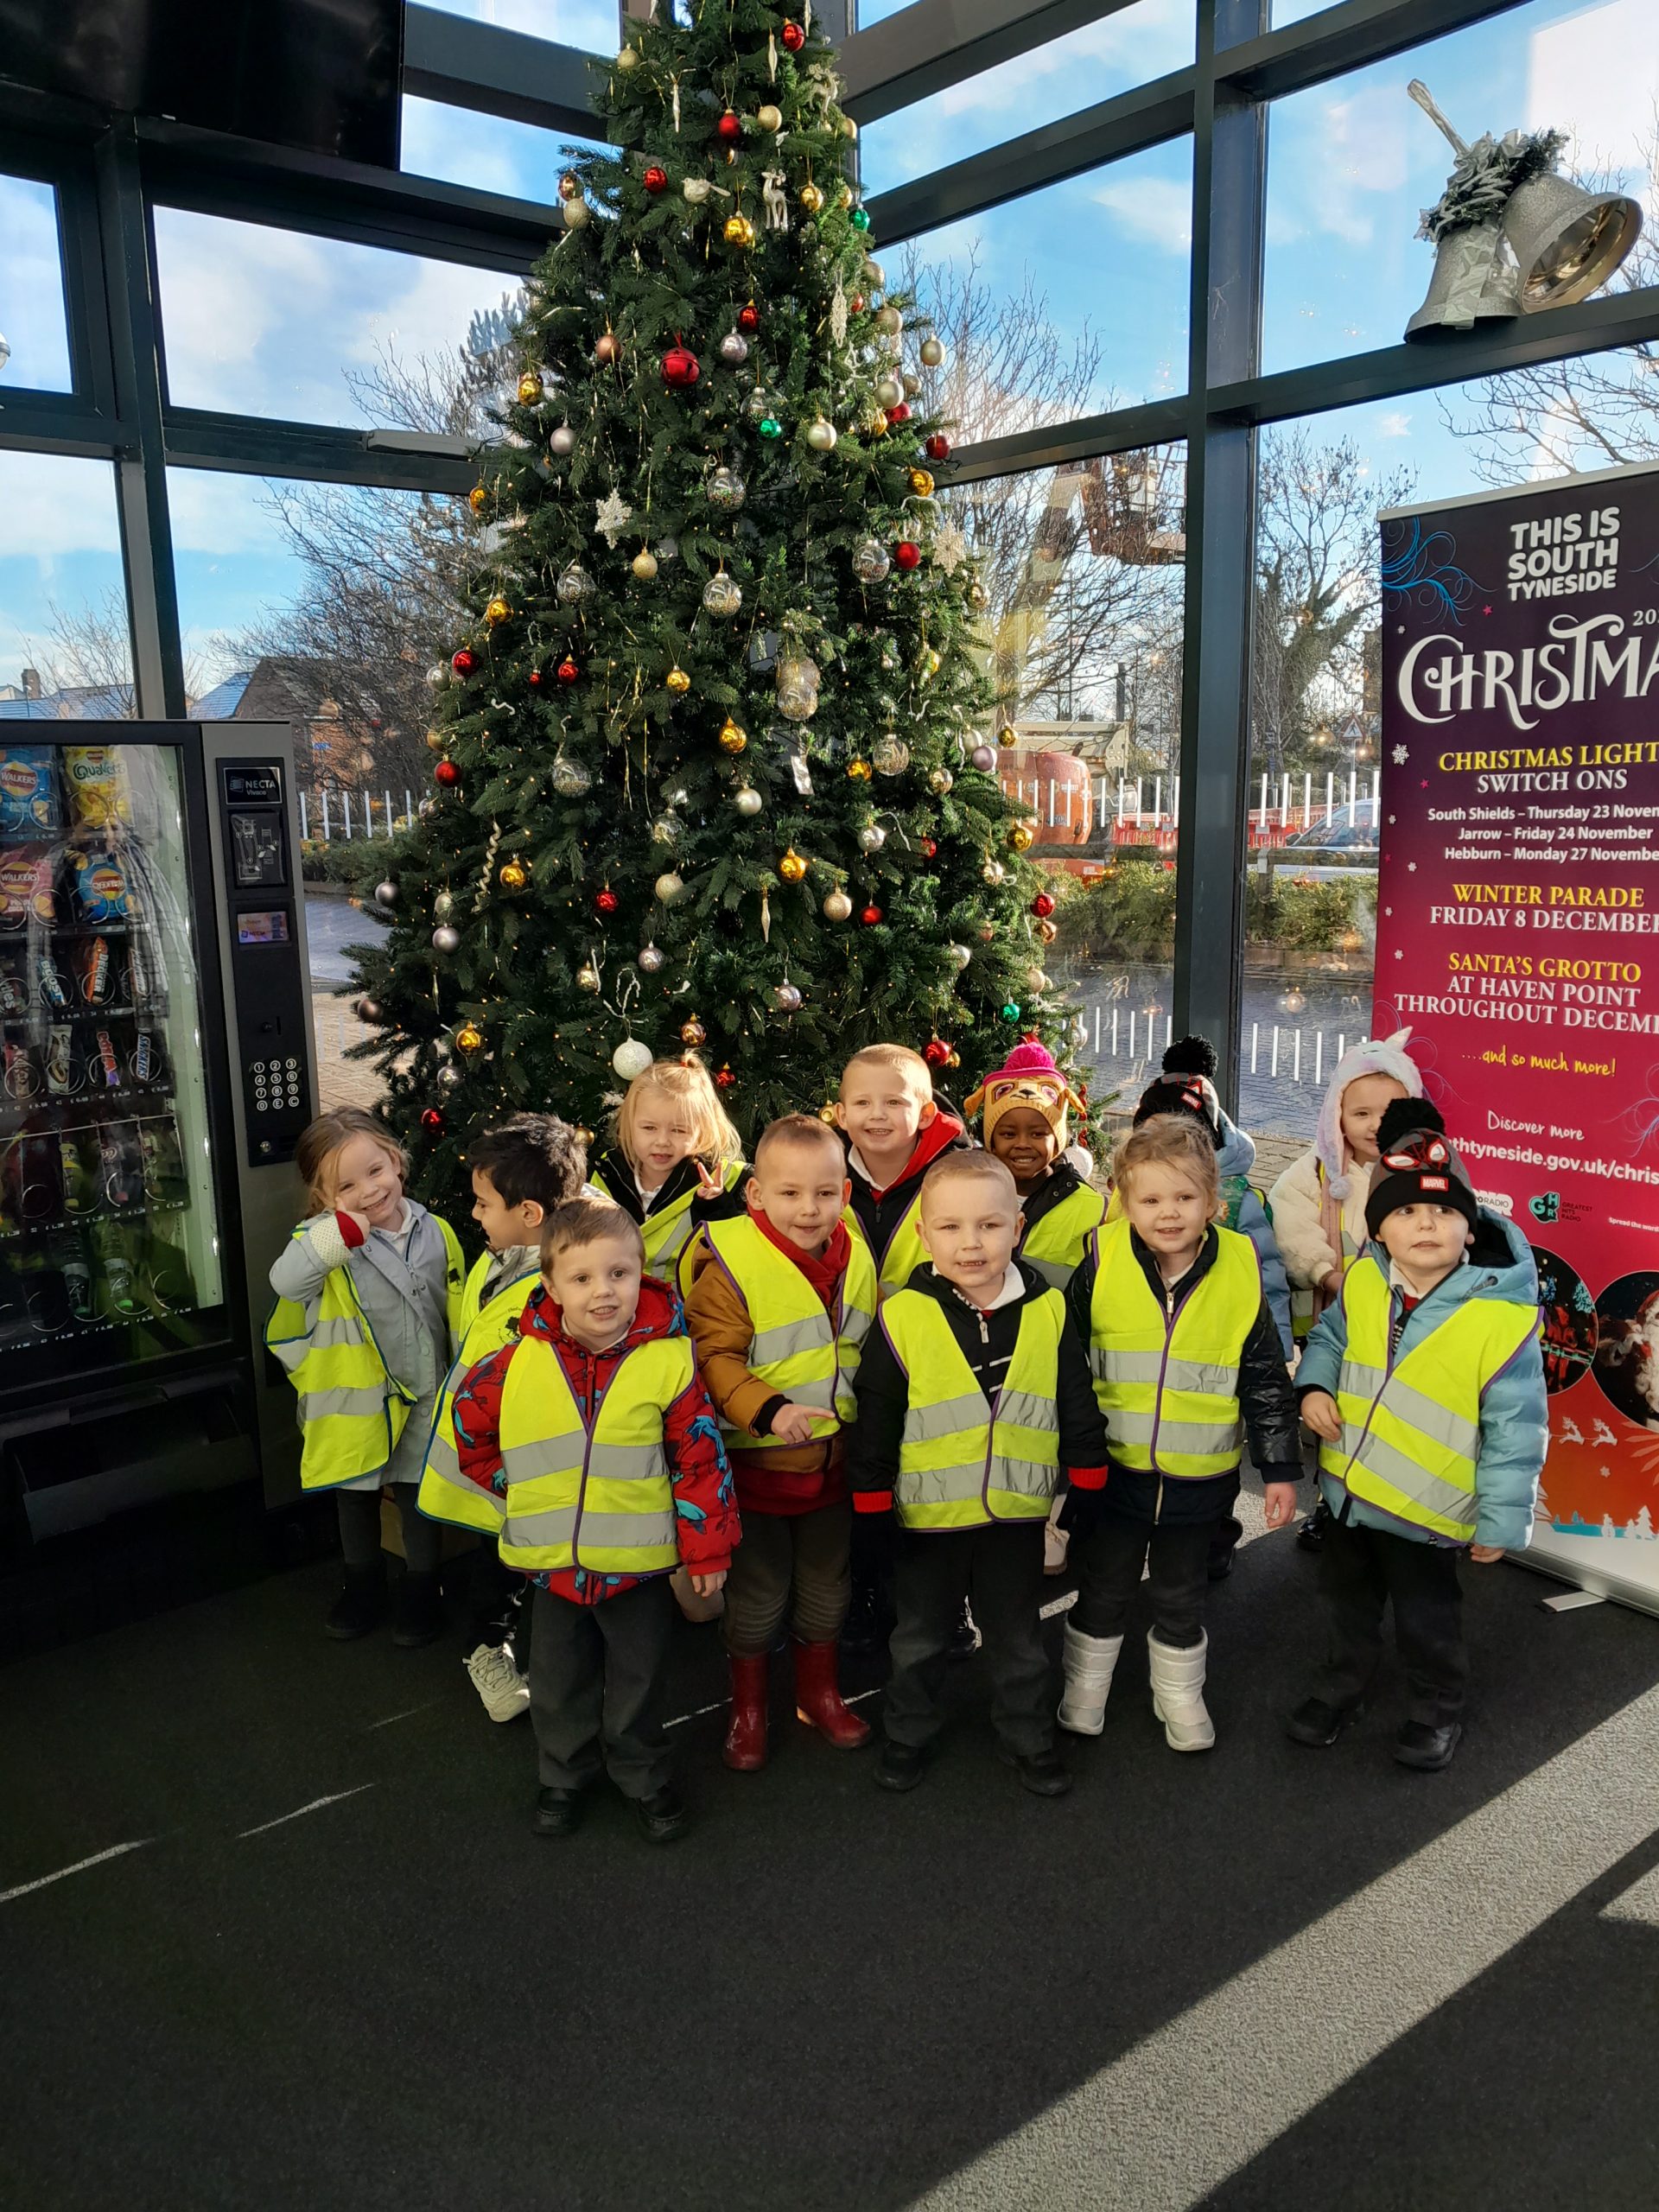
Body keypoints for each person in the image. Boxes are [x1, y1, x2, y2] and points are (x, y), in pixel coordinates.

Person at [431, 1199, 740, 1843]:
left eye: (619, 1274)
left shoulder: (672, 1363)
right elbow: (468, 1433)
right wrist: (518, 1493)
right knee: (557, 1683)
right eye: (582, 1279)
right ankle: (563, 1775)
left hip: (639, 1570)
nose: (603, 1291)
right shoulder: (514, 1364)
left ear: (640, 1274)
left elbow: (701, 1461)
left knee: (640, 1683)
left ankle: (641, 1776)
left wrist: (707, 1553)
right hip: (550, 1570)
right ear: (551, 1286)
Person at [1286, 1098, 1546, 1771]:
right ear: (1379, 1229)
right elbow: (1334, 1339)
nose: (1425, 1222)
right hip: (1349, 1493)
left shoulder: (1499, 1318)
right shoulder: (1368, 1280)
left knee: (1428, 1620)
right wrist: (1313, 1385)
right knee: (1346, 1604)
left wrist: (1501, 1520)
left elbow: (1518, 1429)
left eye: (1443, 1211)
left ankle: (1437, 1707)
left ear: (1470, 1225)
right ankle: (1345, 1685)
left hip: (1429, 1510)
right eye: (1404, 1211)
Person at [849, 1152, 1109, 1797]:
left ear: (1017, 1227)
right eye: (952, 1228)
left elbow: (1075, 1397)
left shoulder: (1049, 1308)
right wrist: (871, 1505)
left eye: (990, 1226)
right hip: (927, 1522)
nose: (971, 1244)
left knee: (1019, 1639)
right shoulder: (902, 1316)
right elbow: (877, 1415)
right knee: (919, 1641)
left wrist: (1088, 1478)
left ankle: (1028, 1737)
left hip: (1014, 1519)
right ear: (923, 1233)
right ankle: (907, 1734)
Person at [1062, 1116, 1300, 1751]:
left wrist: (1278, 1469)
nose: (1169, 1213)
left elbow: (1265, 1378)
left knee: (1180, 1595)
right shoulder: (1099, 1257)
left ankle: (1178, 1692)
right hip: (1113, 1476)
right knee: (1104, 1587)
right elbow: (1065, 1364)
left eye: (1185, 1198)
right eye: (1151, 1199)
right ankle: (1085, 1685)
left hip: (1201, 1483)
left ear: (1213, 1201)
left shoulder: (1240, 1269)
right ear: (1123, 1200)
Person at [685, 1113, 880, 1770]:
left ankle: (818, 1694)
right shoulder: (732, 1262)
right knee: (758, 1600)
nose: (809, 1209)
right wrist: (767, 1412)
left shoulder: (855, 1251)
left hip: (832, 1467)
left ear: (845, 1195)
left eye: (825, 1193)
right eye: (790, 1194)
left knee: (828, 1590)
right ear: (757, 1195)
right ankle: (748, 1708)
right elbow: (712, 1357)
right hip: (758, 1471)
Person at [267, 1108, 464, 1645]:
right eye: (347, 1185)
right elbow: (285, 1282)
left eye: (376, 1171)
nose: (369, 1190)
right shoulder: (321, 1243)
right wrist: (337, 1235)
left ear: (397, 1161)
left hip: (423, 1390)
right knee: (354, 1496)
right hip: (357, 1402)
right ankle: (363, 1584)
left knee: (415, 1492)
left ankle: (424, 1588)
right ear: (326, 1196)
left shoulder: (436, 1231)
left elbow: (453, 1307)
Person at [417, 1111, 589, 1723]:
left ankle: (503, 1646)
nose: (475, 1214)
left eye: (484, 1204)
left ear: (532, 1216)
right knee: (501, 1557)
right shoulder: (509, 1255)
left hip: (533, 1459)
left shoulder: (564, 1282)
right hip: (494, 1455)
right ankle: (487, 1647)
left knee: (519, 1561)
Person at [1129, 1034, 1294, 1580]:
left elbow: (1263, 1270)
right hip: (1148, 1339)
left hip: (1218, 1350)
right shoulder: (1128, 1190)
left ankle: (1219, 1531)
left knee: (1215, 1449)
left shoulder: (1240, 1194)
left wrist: (1279, 1341)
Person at [836, 1043, 972, 1654]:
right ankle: (866, 1590)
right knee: (861, 1477)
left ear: (924, 1111)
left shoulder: (959, 1172)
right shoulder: (823, 1172)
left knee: (937, 1480)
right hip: (846, 1362)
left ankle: (950, 1602)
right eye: (862, 1102)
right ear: (840, 1113)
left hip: (936, 1362)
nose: (877, 1115)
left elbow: (984, 1257)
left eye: (895, 1101)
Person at [1268, 1030, 1423, 1553]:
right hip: (1334, 1318)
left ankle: (1388, 1501)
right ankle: (1329, 1505)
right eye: (1361, 1114)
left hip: (1401, 1323)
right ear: (1337, 1113)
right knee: (1331, 1412)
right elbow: (1289, 1224)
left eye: (1390, 1112)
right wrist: (1325, 1271)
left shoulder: (1423, 1172)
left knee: (1392, 1408)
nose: (1376, 1126)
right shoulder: (1315, 1172)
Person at [588, 1055, 747, 1294]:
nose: (662, 1141)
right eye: (649, 1128)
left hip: (688, 1315)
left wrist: (718, 1208)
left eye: (678, 1130)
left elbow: (738, 1259)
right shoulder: (606, 1175)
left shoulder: (726, 1182)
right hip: (612, 1306)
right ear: (630, 1125)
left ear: (702, 1131)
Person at [964, 1037, 1104, 1287]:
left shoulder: (1093, 1209)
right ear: (991, 1141)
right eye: (1008, 1134)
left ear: (1057, 1141)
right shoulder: (964, 1198)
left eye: (1038, 1134)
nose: (1023, 1143)